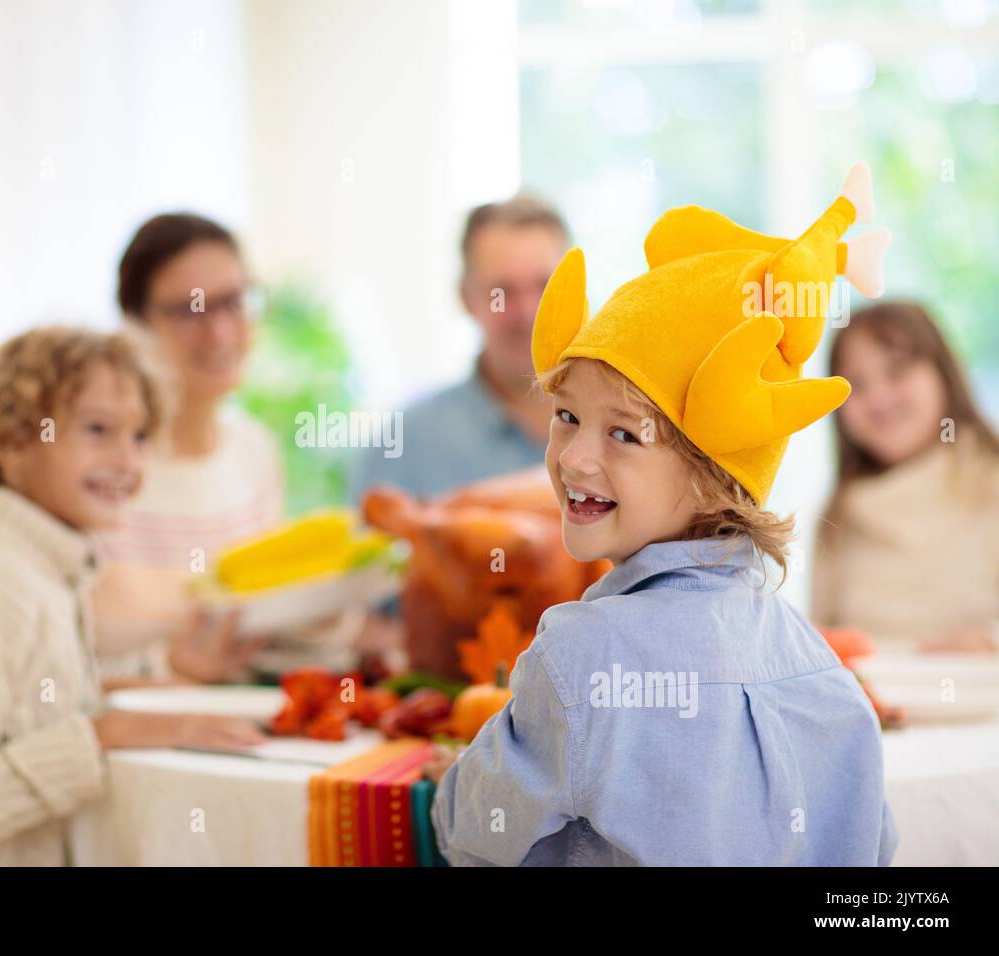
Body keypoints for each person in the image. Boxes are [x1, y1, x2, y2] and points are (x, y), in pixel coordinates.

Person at [431, 163, 898, 865]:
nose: (575, 459)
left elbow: (473, 831)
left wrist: (449, 786)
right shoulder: (818, 666)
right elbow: (870, 847)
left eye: (624, 433)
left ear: (714, 478)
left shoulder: (576, 655)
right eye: (566, 415)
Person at [0, 327, 263, 866]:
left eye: (138, 436)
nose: (128, 462)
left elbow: (35, 705)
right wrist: (101, 736)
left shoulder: (37, 569)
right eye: (97, 430)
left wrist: (171, 674)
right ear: (8, 439)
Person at [93, 213, 285, 683]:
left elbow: (266, 623)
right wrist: (168, 670)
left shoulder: (255, 452)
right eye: (190, 311)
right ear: (134, 326)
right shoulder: (102, 469)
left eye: (233, 302)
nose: (220, 333)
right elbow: (64, 657)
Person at [348, 195, 570, 502]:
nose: (528, 312)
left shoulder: (627, 430)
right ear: (466, 298)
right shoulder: (403, 443)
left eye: (545, 286)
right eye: (502, 292)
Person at [813, 300, 999, 652]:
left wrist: (990, 641)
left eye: (897, 371)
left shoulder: (990, 481)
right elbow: (820, 649)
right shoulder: (837, 514)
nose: (879, 398)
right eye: (857, 384)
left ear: (943, 374)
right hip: (874, 706)